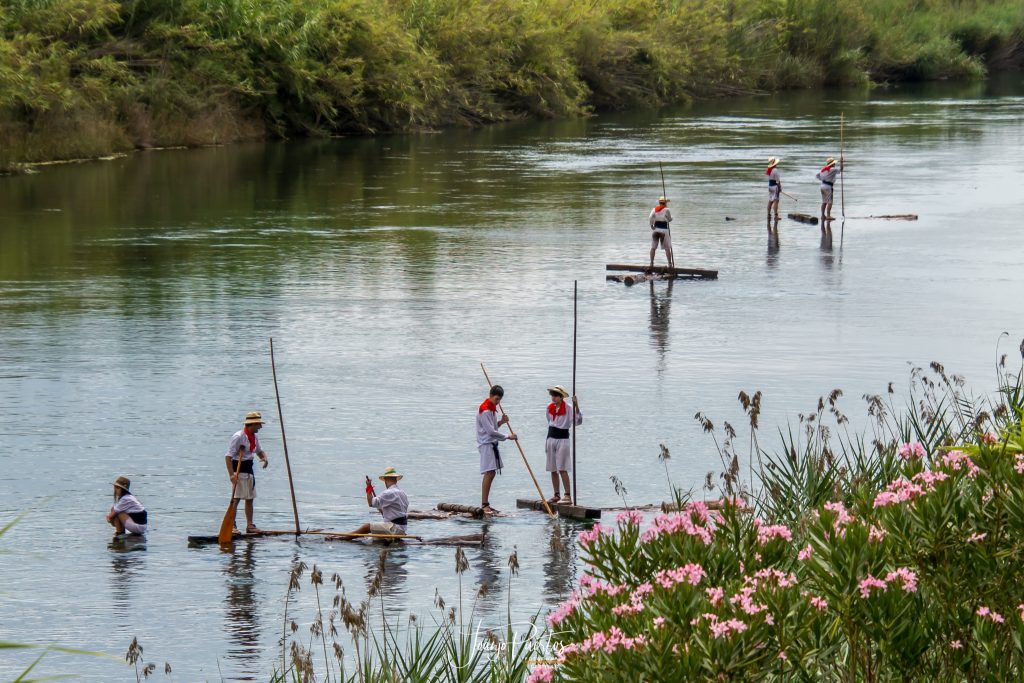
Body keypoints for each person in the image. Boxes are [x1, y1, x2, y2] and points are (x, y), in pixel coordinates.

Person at [225, 411, 269, 534]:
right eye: (259, 424)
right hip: (238, 470)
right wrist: (231, 475)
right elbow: (228, 456)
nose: (260, 427)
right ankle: (232, 525)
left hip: (249, 470)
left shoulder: (254, 437)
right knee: (236, 499)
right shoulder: (238, 436)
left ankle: (250, 525)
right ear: (252, 424)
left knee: (250, 499)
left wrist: (264, 458)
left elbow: (259, 451)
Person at [477, 384, 517, 515]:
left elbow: (493, 428)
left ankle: (486, 503)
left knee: (492, 473)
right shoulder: (485, 411)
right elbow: (490, 432)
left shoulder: (492, 410)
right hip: (486, 444)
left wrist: (501, 422)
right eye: (496, 399)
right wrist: (508, 436)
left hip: (492, 444)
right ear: (490, 396)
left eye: (499, 400)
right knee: (489, 473)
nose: (498, 402)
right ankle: (484, 504)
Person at [544, 385, 582, 504]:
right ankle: (556, 494)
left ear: (561, 397)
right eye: (552, 395)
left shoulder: (569, 408)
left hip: (563, 439)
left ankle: (567, 495)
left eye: (556, 395)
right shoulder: (549, 407)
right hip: (551, 438)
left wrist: (577, 406)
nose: (553, 397)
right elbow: (549, 421)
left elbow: (578, 421)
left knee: (562, 468)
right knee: (552, 468)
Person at [350, 467, 410, 538]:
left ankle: (344, 538)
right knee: (373, 538)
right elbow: (397, 511)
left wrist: (368, 487)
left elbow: (371, 503)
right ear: (396, 480)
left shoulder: (387, 493)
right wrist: (382, 510)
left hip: (394, 529)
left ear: (385, 480)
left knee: (366, 527)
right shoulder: (403, 493)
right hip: (402, 529)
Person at [648, 196, 675, 270]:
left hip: (656, 229)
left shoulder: (654, 209)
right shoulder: (667, 209)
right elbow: (669, 219)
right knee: (667, 248)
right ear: (665, 203)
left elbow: (650, 217)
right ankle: (669, 264)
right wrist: (671, 218)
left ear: (659, 202)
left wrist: (651, 225)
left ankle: (651, 263)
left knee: (653, 247)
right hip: (664, 230)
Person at [815, 156, 843, 221]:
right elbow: (841, 169)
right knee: (830, 202)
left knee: (824, 201)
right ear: (832, 164)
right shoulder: (832, 169)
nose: (834, 164)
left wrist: (823, 179)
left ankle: (822, 215)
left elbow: (817, 175)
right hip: (828, 186)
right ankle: (828, 215)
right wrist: (841, 162)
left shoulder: (823, 169)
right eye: (834, 163)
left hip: (822, 185)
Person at [766, 157, 782, 222]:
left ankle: (768, 215)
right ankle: (776, 216)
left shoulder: (769, 170)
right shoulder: (775, 170)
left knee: (770, 201)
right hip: (775, 187)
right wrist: (779, 187)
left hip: (770, 186)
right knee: (776, 201)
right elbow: (777, 181)